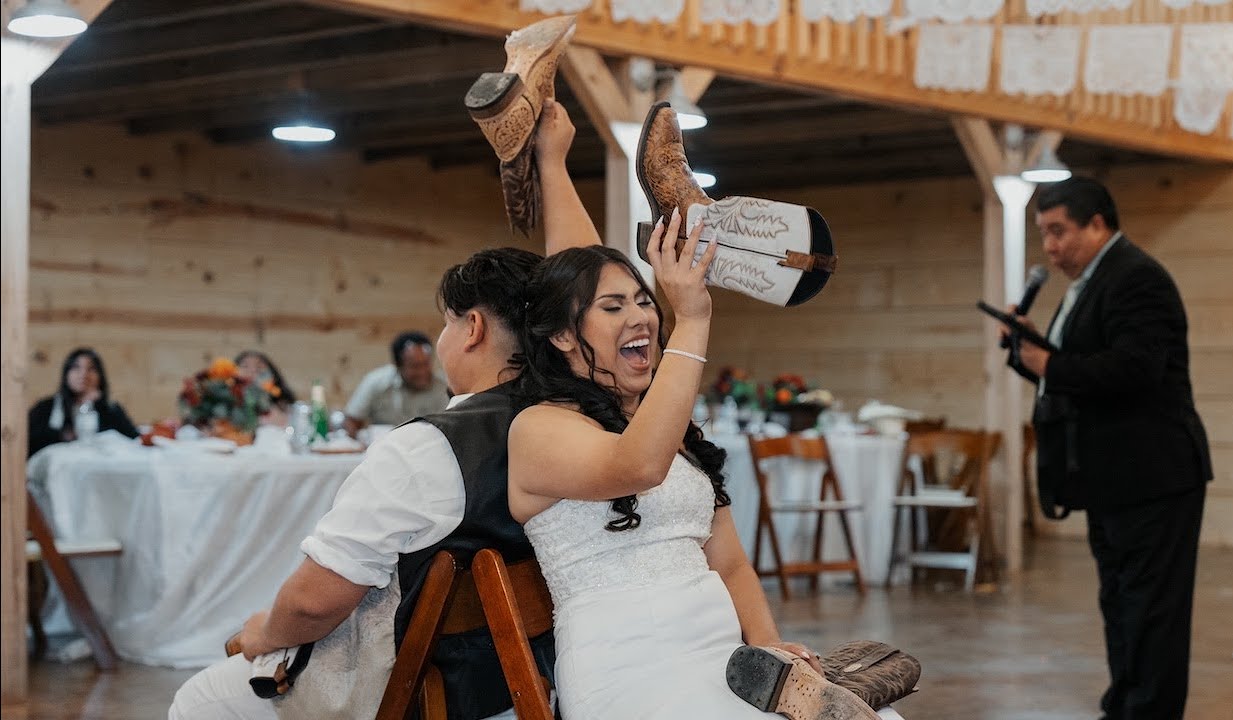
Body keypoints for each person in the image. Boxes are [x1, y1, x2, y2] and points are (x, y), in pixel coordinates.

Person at [170, 101, 600, 720]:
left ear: (472, 327)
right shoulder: (576, 422)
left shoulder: (429, 449)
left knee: (203, 696)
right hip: (534, 681)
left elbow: (316, 602)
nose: (441, 339)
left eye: (445, 324)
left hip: (423, 692)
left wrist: (265, 631)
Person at [507, 222, 880, 716]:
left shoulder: (665, 429)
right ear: (560, 335)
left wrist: (770, 648)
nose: (641, 316)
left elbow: (729, 562)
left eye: (644, 301)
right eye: (613, 307)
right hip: (629, 671)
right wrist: (694, 320)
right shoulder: (538, 429)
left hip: (728, 663)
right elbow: (639, 465)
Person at [1002, 176, 1212, 720]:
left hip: (1153, 476)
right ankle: (1125, 708)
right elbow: (1085, 373)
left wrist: (1050, 363)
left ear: (1097, 224)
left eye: (1058, 232)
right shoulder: (1091, 282)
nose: (1049, 247)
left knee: (1151, 612)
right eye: (1043, 235)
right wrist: (1031, 349)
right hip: (1114, 478)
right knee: (1122, 606)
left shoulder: (1137, 278)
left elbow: (1136, 369)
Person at [28, 347, 138, 458]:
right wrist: (61, 436)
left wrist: (100, 406)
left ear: (100, 376)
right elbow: (29, 441)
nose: (83, 374)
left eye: (91, 369)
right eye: (76, 367)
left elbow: (131, 439)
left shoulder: (111, 409)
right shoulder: (46, 408)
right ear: (66, 374)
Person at [341, 331, 449, 436]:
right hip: (384, 449)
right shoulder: (376, 382)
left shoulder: (444, 387)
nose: (422, 371)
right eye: (415, 366)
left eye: (426, 364)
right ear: (398, 365)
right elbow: (351, 421)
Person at [235, 350, 296, 427]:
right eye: (245, 366)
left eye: (259, 367)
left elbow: (285, 424)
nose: (253, 371)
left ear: (273, 376)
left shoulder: (282, 405)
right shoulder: (229, 404)